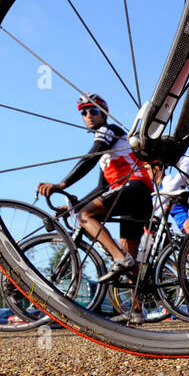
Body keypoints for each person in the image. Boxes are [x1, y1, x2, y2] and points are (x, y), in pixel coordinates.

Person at [37, 93, 156, 321]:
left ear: (104, 113)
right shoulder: (109, 154)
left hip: (134, 187)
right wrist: (71, 207)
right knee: (129, 255)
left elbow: (90, 156)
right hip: (136, 194)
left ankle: (118, 259)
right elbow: (101, 188)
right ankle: (137, 311)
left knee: (86, 217)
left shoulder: (108, 131)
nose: (88, 115)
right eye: (83, 112)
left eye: (93, 110)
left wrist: (62, 184)